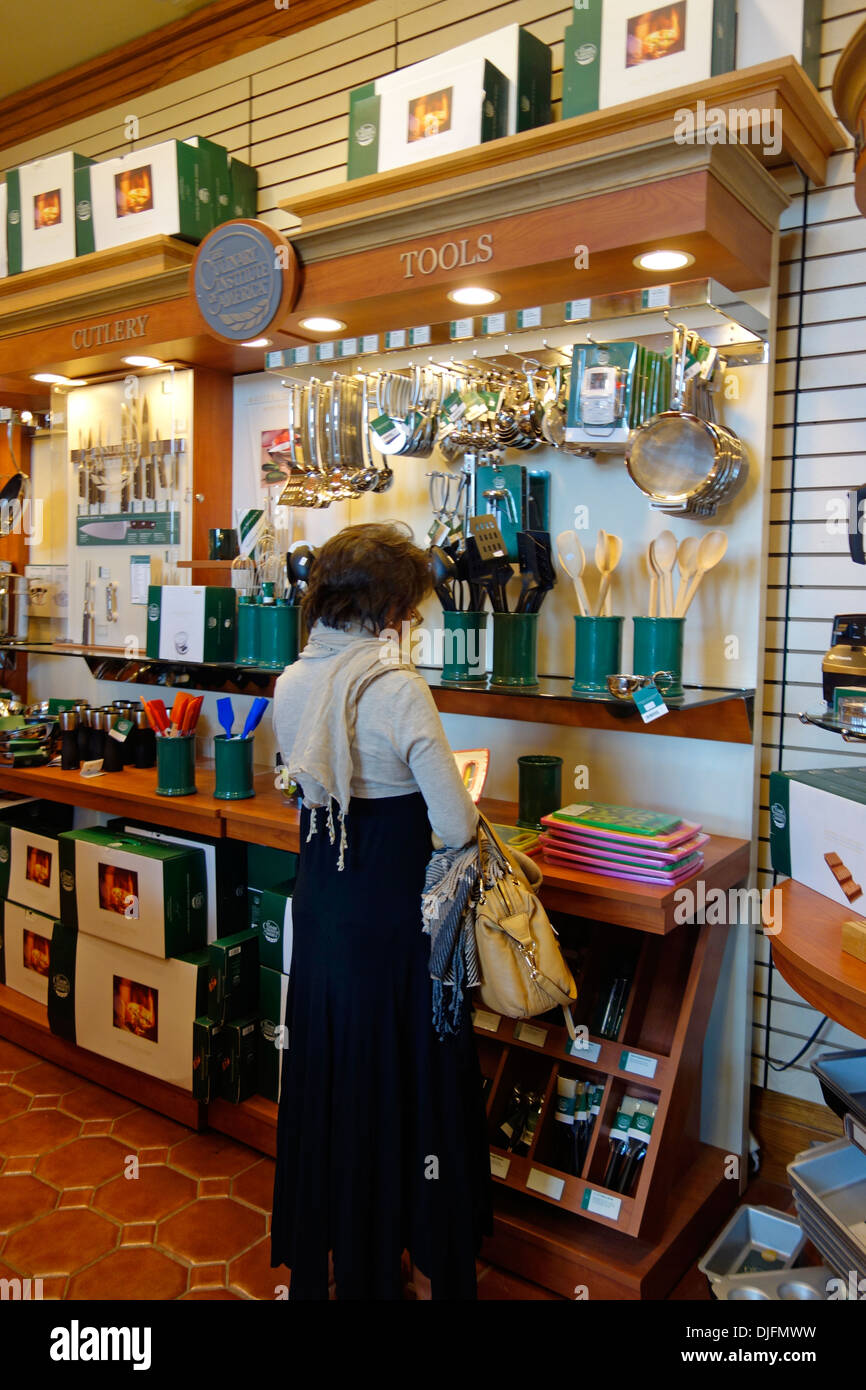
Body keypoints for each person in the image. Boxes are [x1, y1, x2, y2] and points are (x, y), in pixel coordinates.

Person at [270, 521, 492, 1301]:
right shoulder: (396, 688)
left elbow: (300, 784)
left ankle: (342, 1261)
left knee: (333, 1075)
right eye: (411, 607)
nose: (414, 621)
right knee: (415, 1083)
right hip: (397, 924)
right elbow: (456, 824)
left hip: (325, 911)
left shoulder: (292, 680)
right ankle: (429, 1259)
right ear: (389, 606)